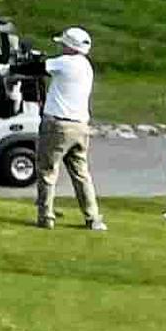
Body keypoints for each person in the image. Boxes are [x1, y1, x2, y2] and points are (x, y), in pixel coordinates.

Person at [34, 25, 104, 231]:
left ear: (70, 46)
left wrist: (11, 67)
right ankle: (93, 217)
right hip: (81, 126)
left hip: (58, 125)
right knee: (81, 173)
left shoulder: (66, 62)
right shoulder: (86, 65)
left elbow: (36, 68)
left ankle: (45, 215)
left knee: (47, 170)